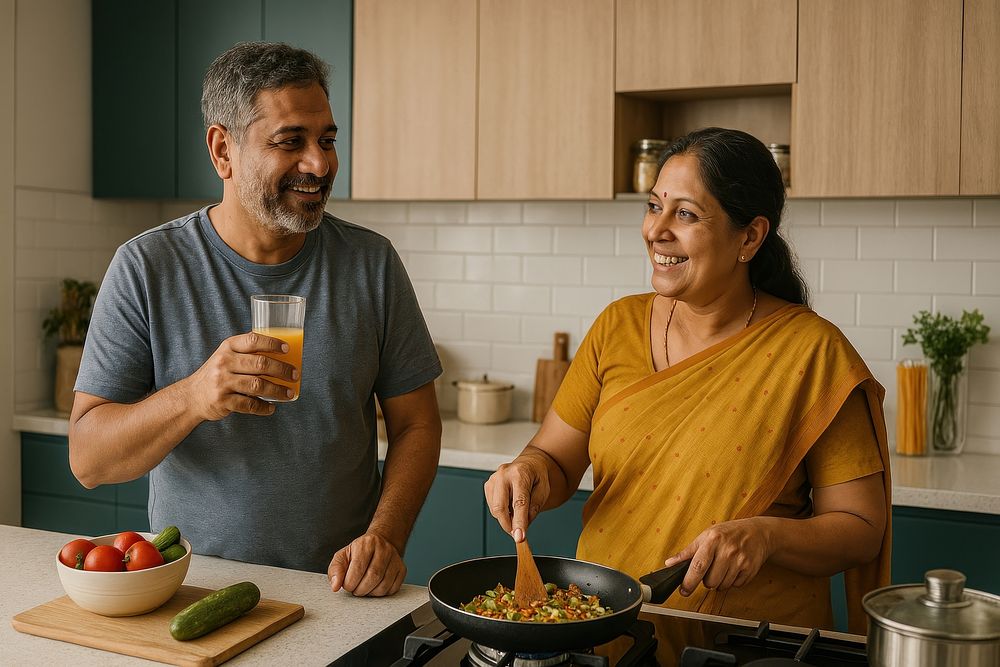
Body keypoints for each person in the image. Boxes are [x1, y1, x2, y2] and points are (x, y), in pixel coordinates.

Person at [68, 42, 443, 597]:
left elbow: (417, 424)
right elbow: (88, 460)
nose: (320, 163)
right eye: (291, 141)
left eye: (328, 139)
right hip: (194, 593)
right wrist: (194, 396)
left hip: (338, 593)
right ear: (223, 151)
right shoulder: (148, 266)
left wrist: (385, 536)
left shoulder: (371, 264)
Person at [485, 127, 890, 632]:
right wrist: (527, 472)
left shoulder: (813, 353)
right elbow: (555, 461)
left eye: (686, 214)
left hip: (746, 646)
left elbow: (861, 529)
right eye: (654, 206)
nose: (656, 231)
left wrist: (766, 537)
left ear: (749, 237)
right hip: (607, 626)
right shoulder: (618, 326)